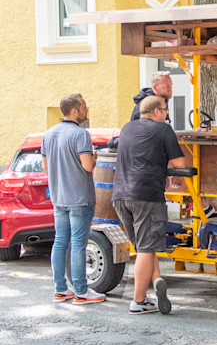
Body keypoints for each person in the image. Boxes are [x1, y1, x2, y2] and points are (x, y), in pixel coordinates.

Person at [113, 96, 186, 315]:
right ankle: (138, 301)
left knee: (146, 246)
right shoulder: (163, 130)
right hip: (146, 195)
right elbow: (180, 163)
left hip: (120, 195)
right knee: (146, 248)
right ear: (156, 112)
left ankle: (156, 281)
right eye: (165, 110)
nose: (167, 114)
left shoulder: (126, 128)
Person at [41, 94, 106, 305]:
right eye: (85, 107)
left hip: (59, 198)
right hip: (79, 197)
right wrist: (95, 158)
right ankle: (81, 291)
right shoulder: (80, 135)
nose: (87, 110)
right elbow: (88, 166)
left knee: (60, 242)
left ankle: (61, 289)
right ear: (75, 111)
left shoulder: (49, 134)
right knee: (78, 244)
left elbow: (45, 168)